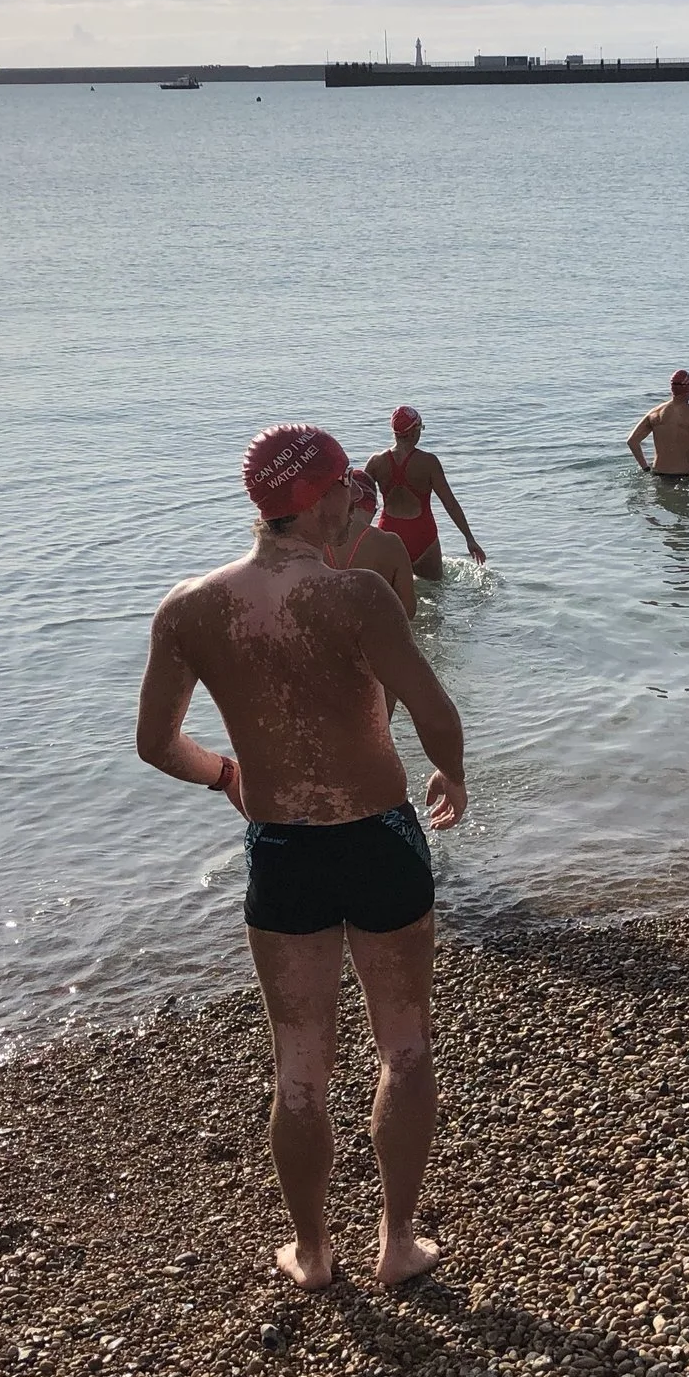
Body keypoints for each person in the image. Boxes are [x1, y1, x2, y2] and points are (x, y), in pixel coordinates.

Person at [136, 426, 470, 1290]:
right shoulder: (357, 594)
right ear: (320, 500)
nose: (354, 503)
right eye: (344, 491)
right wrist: (452, 773)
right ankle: (397, 1242)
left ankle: (314, 1252)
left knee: (298, 1066)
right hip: (378, 837)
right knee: (404, 1047)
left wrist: (226, 775)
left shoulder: (189, 607)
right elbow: (435, 710)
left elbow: (156, 743)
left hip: (283, 848)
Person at [369, 406, 487, 579]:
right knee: (434, 590)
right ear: (412, 432)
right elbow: (450, 503)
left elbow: (359, 501)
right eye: (420, 428)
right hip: (422, 535)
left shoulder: (376, 462)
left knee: (390, 591)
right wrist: (469, 538)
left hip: (388, 535)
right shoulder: (428, 463)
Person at [327, 468, 418, 619]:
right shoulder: (391, 543)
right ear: (372, 508)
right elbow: (409, 610)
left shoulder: (314, 539)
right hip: (374, 629)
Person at [627, 370, 689, 477]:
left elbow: (632, 441)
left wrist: (645, 468)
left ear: (672, 389)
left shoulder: (654, 413)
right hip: (685, 478)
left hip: (658, 475)